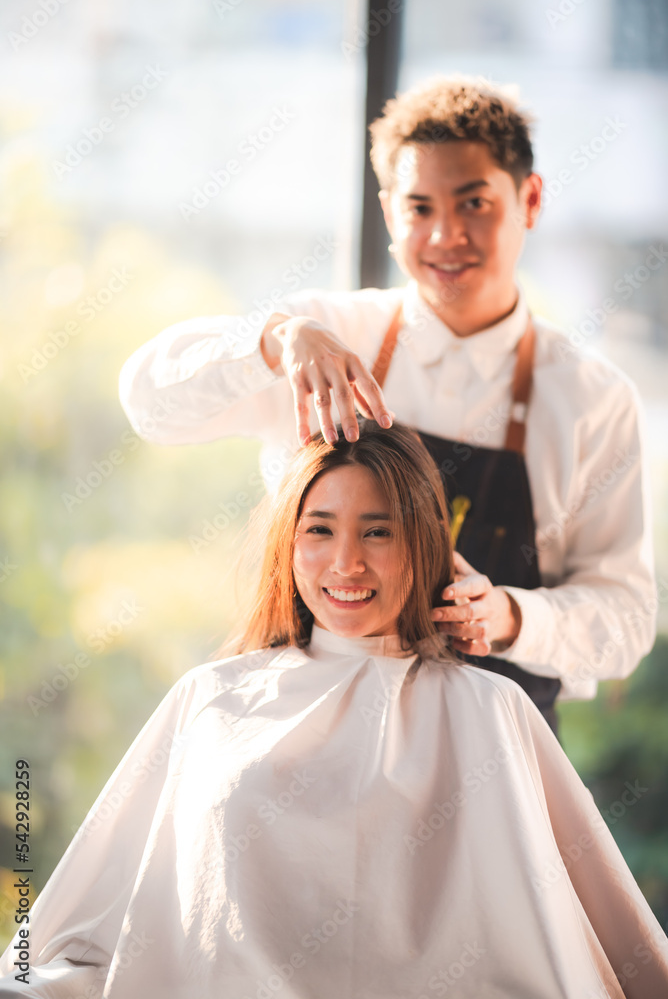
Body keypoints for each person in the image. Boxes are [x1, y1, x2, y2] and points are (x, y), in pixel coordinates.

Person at [1, 421, 667, 998]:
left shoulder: (492, 709)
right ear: (288, 544)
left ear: (422, 544)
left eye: (378, 532)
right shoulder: (211, 698)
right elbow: (79, 927)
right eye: (320, 529)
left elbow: (617, 945)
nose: (346, 562)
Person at [118, 75, 656, 729]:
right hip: (313, 737)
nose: (444, 236)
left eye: (474, 203)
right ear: (387, 211)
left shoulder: (591, 400)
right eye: (419, 208)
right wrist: (271, 340)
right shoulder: (324, 333)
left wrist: (512, 616)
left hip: (498, 756)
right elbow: (147, 402)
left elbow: (627, 621)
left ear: (531, 199)